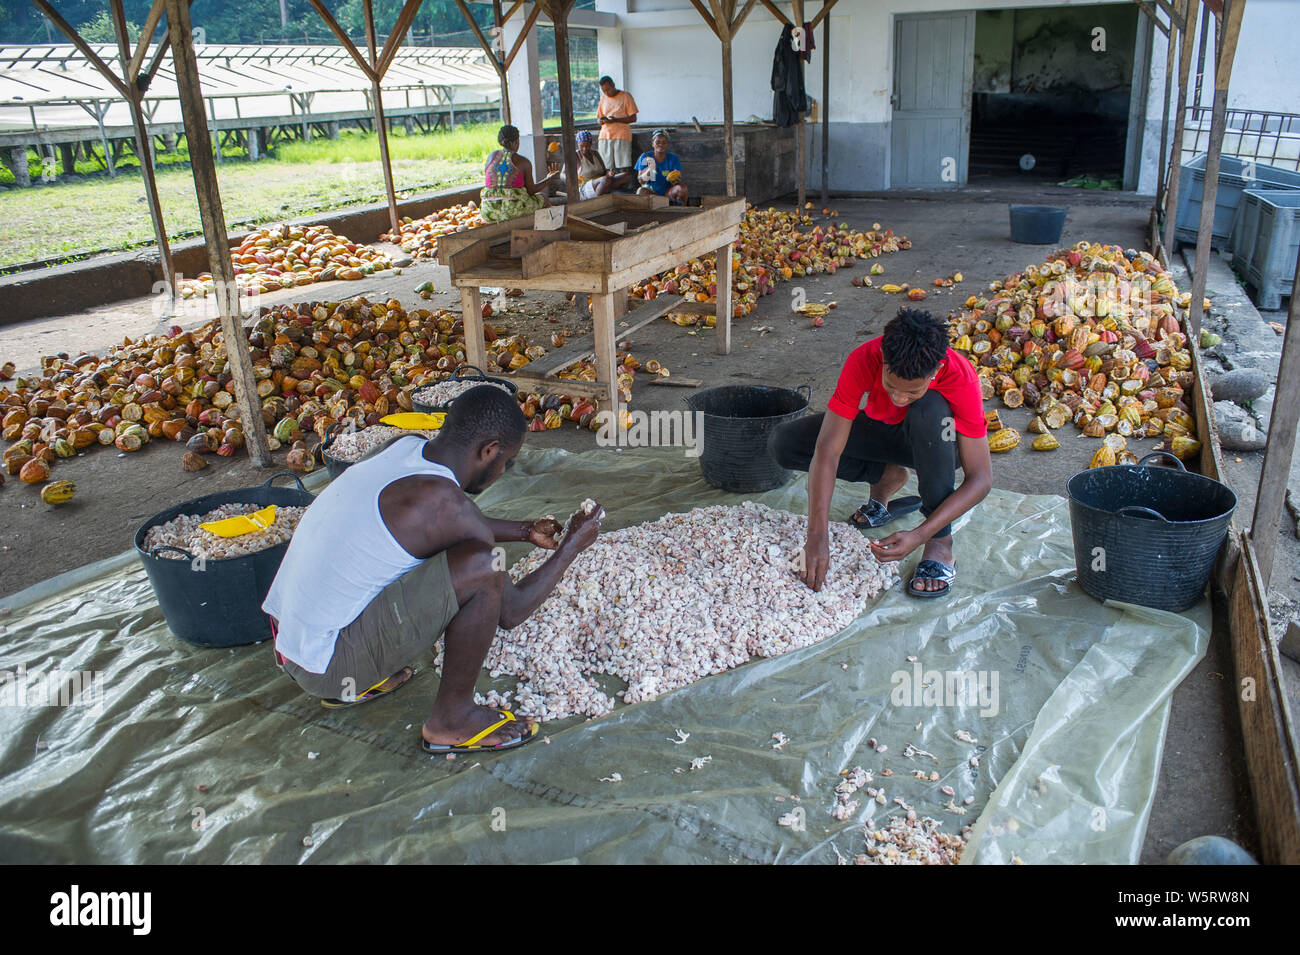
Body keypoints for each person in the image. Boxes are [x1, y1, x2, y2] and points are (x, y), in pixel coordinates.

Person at [263, 385, 603, 752]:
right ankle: (450, 720)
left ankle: (365, 668)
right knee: (483, 567)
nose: (503, 469)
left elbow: (440, 522)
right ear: (488, 451)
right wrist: (571, 547)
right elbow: (512, 610)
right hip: (325, 666)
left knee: (457, 558)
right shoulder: (446, 505)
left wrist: (524, 530)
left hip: (287, 641)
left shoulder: (403, 447)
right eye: (506, 460)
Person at [769, 308, 992, 599]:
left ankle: (941, 543)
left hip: (935, 445)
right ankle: (886, 476)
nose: (899, 398)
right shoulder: (865, 357)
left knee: (931, 410)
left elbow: (981, 478)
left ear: (936, 370)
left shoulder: (960, 376)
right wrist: (817, 534)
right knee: (785, 443)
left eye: (911, 392)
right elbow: (827, 451)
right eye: (891, 386)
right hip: (883, 431)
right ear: (884, 359)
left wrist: (920, 534)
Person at [481, 124, 559, 222]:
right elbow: (531, 191)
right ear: (517, 142)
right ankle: (549, 227)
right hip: (513, 211)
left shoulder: (491, 157)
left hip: (489, 210)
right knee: (542, 198)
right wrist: (550, 178)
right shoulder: (523, 162)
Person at [569, 130, 632, 199]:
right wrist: (573, 180)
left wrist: (610, 173)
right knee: (605, 180)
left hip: (603, 183)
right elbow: (562, 174)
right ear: (578, 144)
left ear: (591, 144)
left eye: (587, 145)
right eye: (581, 146)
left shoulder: (595, 154)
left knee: (626, 176)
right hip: (585, 188)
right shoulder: (575, 155)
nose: (584, 149)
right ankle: (595, 202)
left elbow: (605, 172)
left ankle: (616, 197)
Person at [596, 75, 638, 172]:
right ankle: (610, 186)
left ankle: (623, 186)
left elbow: (633, 118)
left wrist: (615, 120)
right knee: (606, 167)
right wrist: (600, 121)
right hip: (605, 136)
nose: (607, 93)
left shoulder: (626, 96)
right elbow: (598, 118)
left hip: (621, 136)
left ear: (613, 85)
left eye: (608, 89)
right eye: (604, 91)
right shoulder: (603, 99)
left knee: (623, 166)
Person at [634, 129, 688, 205]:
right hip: (651, 193)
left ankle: (683, 212)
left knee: (682, 188)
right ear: (652, 143)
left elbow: (677, 177)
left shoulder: (673, 158)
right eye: (657, 142)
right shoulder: (645, 157)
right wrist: (650, 169)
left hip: (667, 193)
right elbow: (641, 181)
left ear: (667, 144)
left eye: (664, 142)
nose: (661, 144)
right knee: (640, 191)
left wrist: (676, 180)